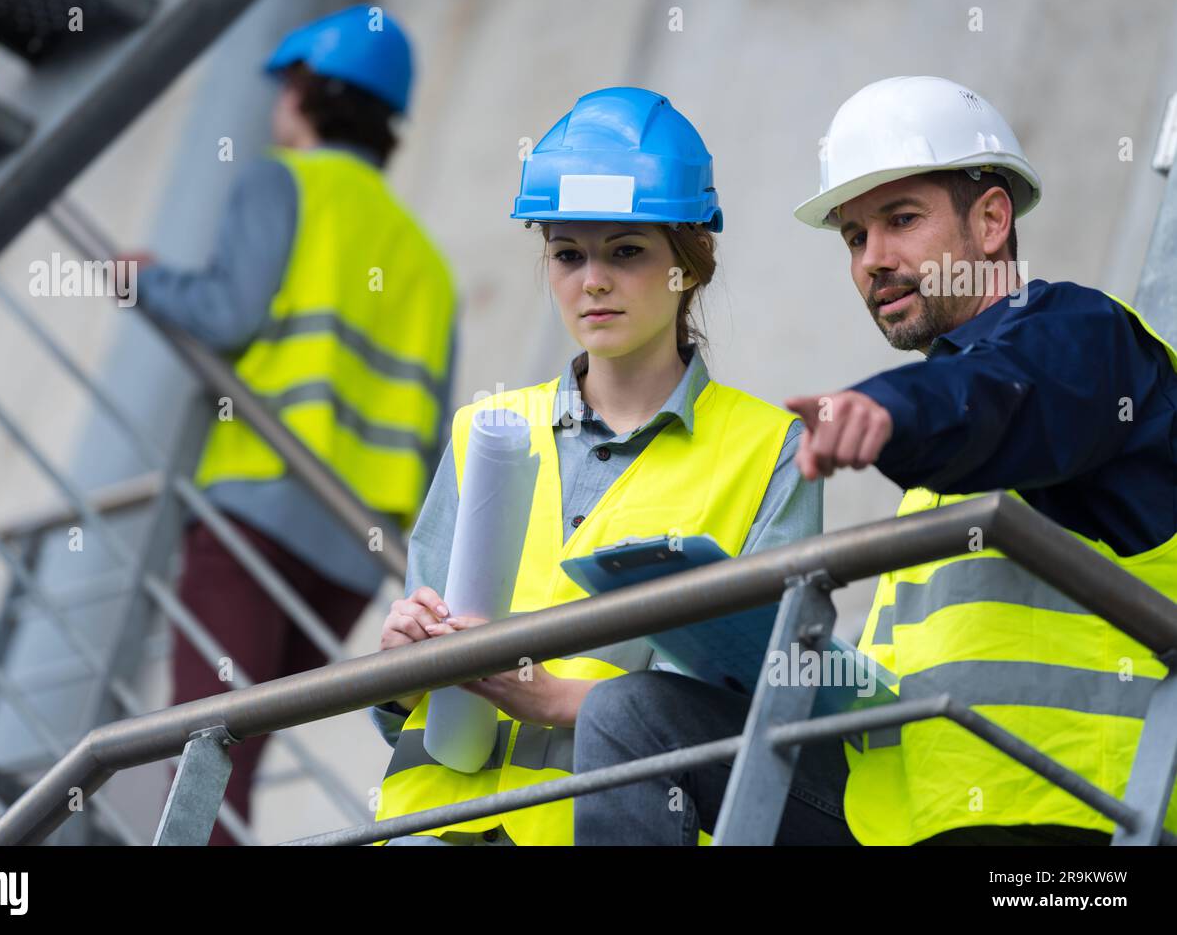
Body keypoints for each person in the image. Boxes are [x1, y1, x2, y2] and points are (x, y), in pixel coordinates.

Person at [368, 86, 847, 846]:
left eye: (626, 251)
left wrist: (555, 696)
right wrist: (398, 660)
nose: (592, 279)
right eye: (567, 253)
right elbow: (396, 702)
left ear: (688, 264)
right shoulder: (484, 431)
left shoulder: (771, 450)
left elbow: (751, 698)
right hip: (430, 826)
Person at [782, 75, 1177, 845]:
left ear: (992, 219)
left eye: (901, 220)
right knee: (649, 720)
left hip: (1071, 837)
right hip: (916, 830)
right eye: (856, 237)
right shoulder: (932, 478)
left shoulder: (1086, 344)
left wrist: (892, 410)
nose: (873, 259)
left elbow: (1004, 392)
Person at [129, 5, 458, 844]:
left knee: (200, 759)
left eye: (285, 88)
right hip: (353, 553)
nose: (274, 106)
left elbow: (229, 313)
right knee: (232, 757)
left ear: (309, 90)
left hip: (256, 515)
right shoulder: (426, 262)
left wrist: (146, 283)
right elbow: (433, 444)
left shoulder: (284, 180)